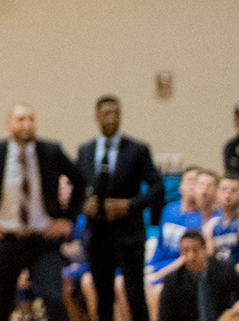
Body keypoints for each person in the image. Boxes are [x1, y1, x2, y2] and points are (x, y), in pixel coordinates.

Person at [0, 104, 86, 321]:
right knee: (0, 307)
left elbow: (80, 181)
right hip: (6, 240)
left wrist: (67, 219)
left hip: (43, 240)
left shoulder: (51, 151)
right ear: (9, 123)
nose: (26, 125)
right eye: (21, 119)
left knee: (54, 298)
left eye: (30, 119)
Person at [77, 96, 166, 321]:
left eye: (116, 113)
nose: (112, 118)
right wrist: (84, 205)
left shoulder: (137, 149)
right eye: (106, 113)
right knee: (103, 299)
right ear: (96, 117)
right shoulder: (85, 150)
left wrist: (128, 205)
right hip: (98, 234)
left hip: (129, 232)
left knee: (136, 296)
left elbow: (157, 188)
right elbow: (77, 189)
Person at [150, 168, 216, 316]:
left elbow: (189, 256)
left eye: (196, 182)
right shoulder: (168, 210)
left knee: (157, 291)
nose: (192, 186)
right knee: (122, 285)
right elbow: (159, 248)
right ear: (180, 185)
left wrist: (158, 275)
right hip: (162, 264)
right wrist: (149, 267)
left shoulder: (201, 218)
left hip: (180, 269)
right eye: (189, 181)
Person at [153, 231, 239, 321]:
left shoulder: (223, 269)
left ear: (204, 250)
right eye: (186, 251)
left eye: (195, 250)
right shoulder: (172, 281)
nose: (191, 256)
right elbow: (165, 317)